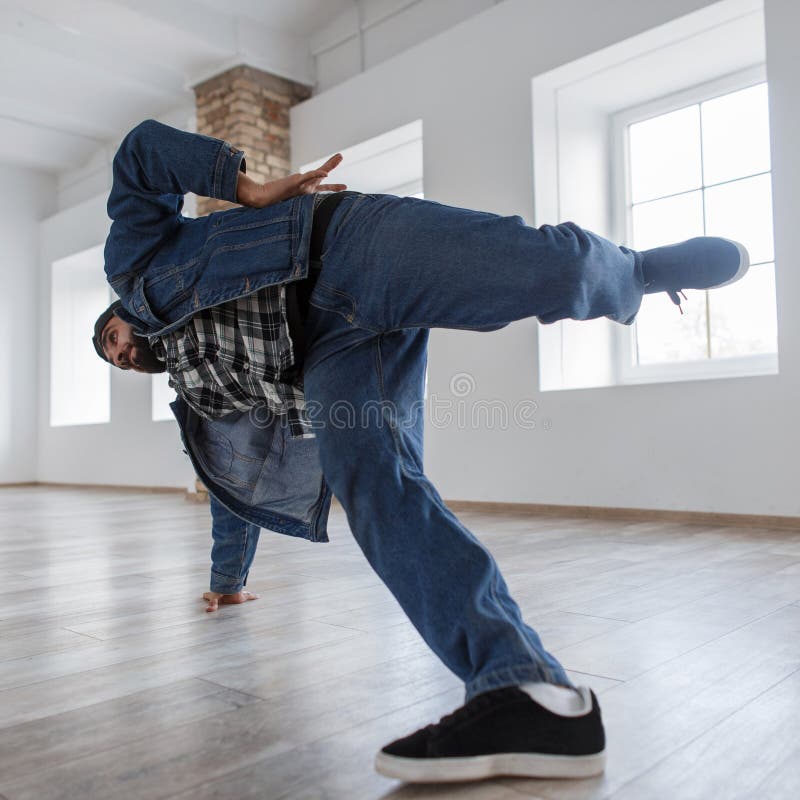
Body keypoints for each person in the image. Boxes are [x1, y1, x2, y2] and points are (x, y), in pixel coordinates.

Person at [93, 119, 749, 784]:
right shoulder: (198, 394)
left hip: (346, 245)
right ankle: (522, 686)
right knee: (374, 482)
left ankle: (635, 271)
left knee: (543, 264)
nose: (122, 352)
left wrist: (245, 187)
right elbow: (233, 488)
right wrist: (227, 585)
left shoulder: (135, 263)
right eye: (115, 360)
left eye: (113, 337)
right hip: (335, 354)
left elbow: (140, 154)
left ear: (118, 311)